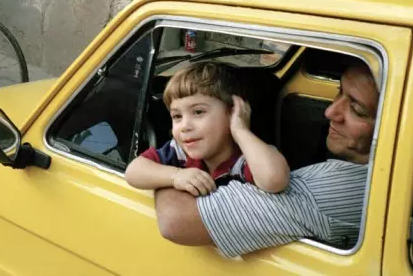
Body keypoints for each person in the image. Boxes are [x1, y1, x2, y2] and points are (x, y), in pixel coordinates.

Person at [154, 60, 379, 258]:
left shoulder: (326, 193)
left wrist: (167, 172)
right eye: (339, 91)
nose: (330, 112)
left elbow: (176, 220)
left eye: (357, 110)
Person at [125, 62, 290, 196]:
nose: (184, 126)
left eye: (198, 112)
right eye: (177, 117)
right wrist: (175, 176)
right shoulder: (179, 153)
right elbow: (133, 171)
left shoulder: (248, 158)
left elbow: (274, 180)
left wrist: (241, 130)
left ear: (233, 112)